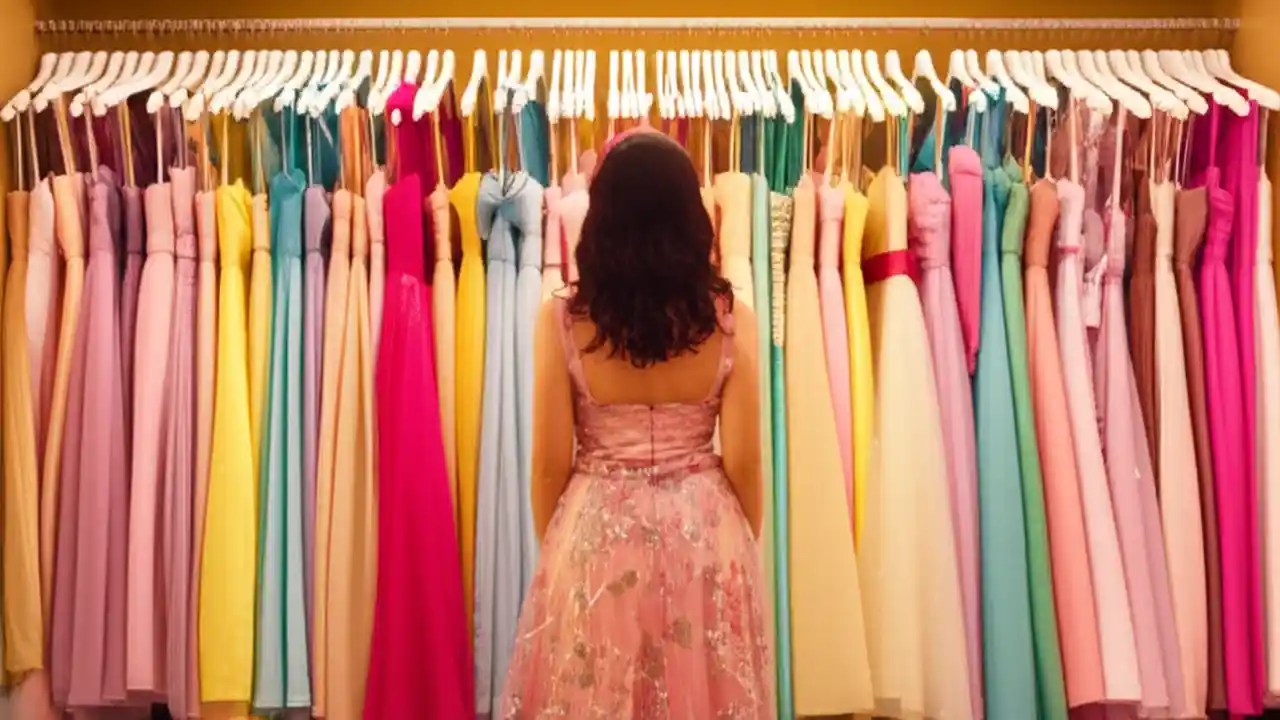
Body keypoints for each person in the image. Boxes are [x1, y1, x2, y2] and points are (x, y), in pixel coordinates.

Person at [499, 129, 774, 718]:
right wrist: (726, 541)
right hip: (704, 535)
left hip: (598, 535)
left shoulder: (562, 322)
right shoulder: (732, 322)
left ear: (601, 221)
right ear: (691, 219)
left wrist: (574, 543)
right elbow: (749, 466)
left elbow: (547, 469)